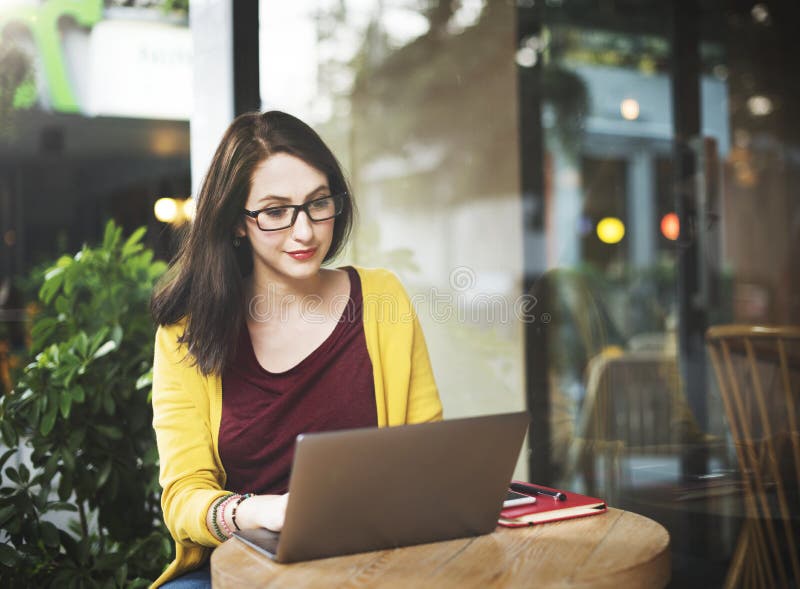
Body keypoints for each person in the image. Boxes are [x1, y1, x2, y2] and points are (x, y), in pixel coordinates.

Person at [149, 111, 443, 588]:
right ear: (237, 222)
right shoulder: (186, 331)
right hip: (247, 564)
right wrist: (260, 511)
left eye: (317, 203)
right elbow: (184, 496)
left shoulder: (383, 297)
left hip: (373, 556)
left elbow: (428, 453)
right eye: (275, 211)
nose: (304, 232)